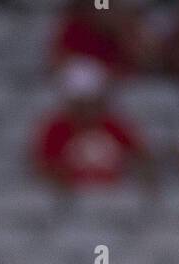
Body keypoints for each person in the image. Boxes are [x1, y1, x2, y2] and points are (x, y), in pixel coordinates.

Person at [31, 60, 155, 189]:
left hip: (114, 197)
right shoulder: (56, 128)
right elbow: (41, 165)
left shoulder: (115, 124)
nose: (86, 109)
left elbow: (141, 156)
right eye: (80, 104)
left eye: (91, 102)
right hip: (72, 200)